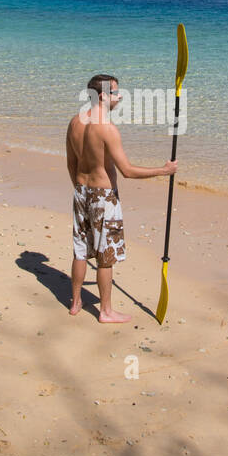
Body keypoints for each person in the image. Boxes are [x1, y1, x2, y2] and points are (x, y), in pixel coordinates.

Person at [66, 74, 177, 323]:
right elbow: (127, 171)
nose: (120, 96)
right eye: (116, 92)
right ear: (103, 96)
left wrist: (80, 188)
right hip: (104, 197)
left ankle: (75, 302)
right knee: (106, 256)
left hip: (81, 191)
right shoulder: (107, 128)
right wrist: (163, 170)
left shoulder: (75, 123)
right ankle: (105, 311)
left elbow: (71, 163)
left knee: (81, 251)